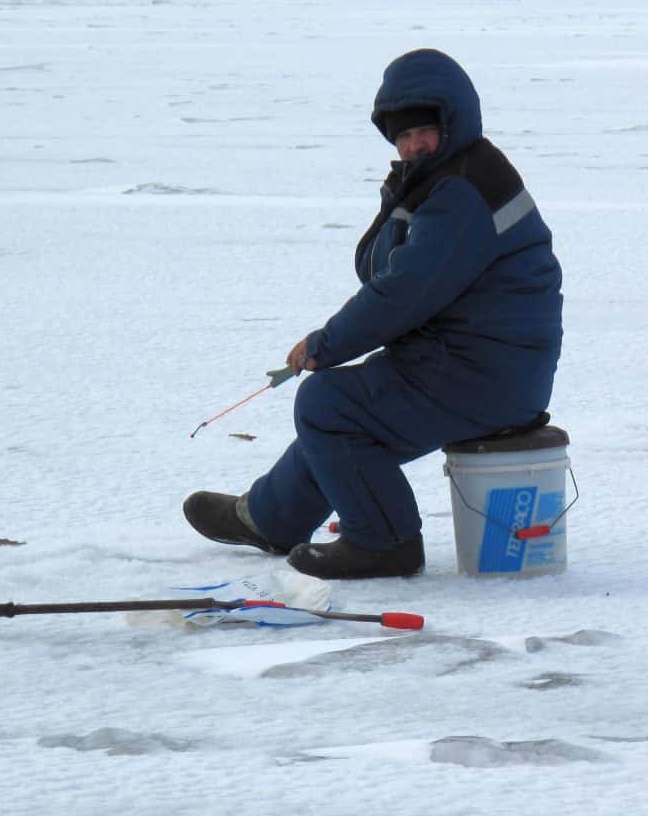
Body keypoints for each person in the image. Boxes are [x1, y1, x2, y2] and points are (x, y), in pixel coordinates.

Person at [183, 49, 564, 577]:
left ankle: (385, 542)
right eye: (402, 135)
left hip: (484, 376)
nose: (413, 144)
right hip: (473, 365)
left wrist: (324, 344)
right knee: (345, 412)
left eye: (424, 130)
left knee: (329, 405)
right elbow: (391, 272)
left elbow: (404, 292)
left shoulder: (462, 189)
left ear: (453, 122)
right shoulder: (445, 175)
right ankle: (270, 517)